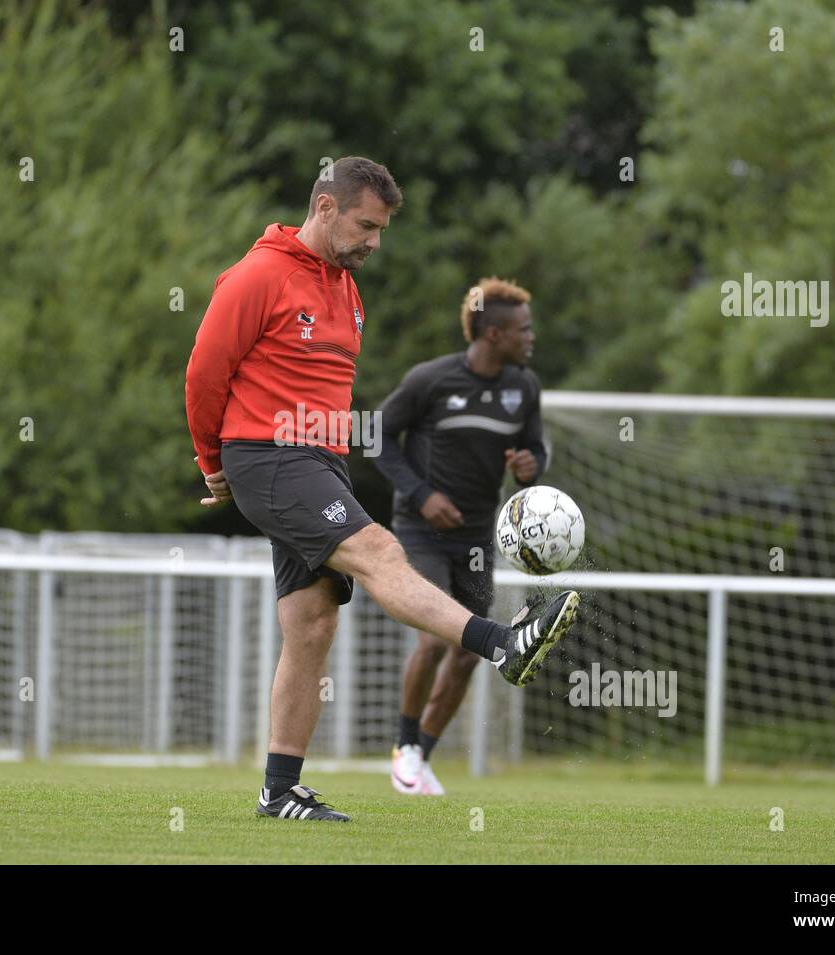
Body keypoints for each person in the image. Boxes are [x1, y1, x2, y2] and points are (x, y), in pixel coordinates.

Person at [185, 157, 579, 822]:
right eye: (366, 225)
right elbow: (203, 372)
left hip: (318, 464)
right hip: (269, 457)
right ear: (325, 207)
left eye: (383, 229)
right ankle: (499, 642)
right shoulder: (256, 276)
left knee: (312, 625)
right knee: (380, 552)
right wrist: (212, 462)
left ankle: (279, 790)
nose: (375, 241)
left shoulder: (347, 290)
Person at [375, 277, 547, 796]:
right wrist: (422, 493)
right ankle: (404, 749)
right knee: (432, 639)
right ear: (493, 333)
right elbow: (376, 436)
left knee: (468, 651)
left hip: (477, 536)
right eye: (523, 329)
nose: (530, 337)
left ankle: (420, 758)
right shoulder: (431, 380)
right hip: (419, 530)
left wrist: (528, 466)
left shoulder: (525, 387)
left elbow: (536, 454)